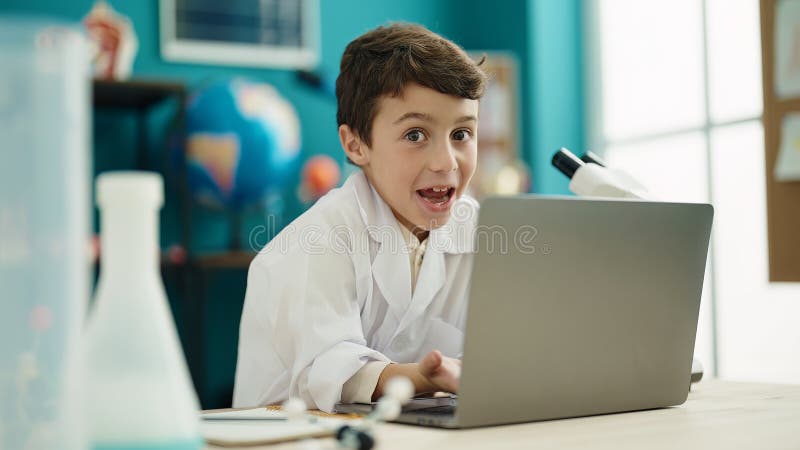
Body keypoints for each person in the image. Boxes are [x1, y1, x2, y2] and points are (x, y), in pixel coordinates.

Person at [233, 22, 488, 412]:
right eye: (415, 135)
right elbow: (332, 371)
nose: (446, 162)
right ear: (355, 145)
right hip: (297, 433)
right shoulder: (315, 242)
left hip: (415, 430)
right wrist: (427, 377)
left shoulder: (479, 228)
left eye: (461, 134)